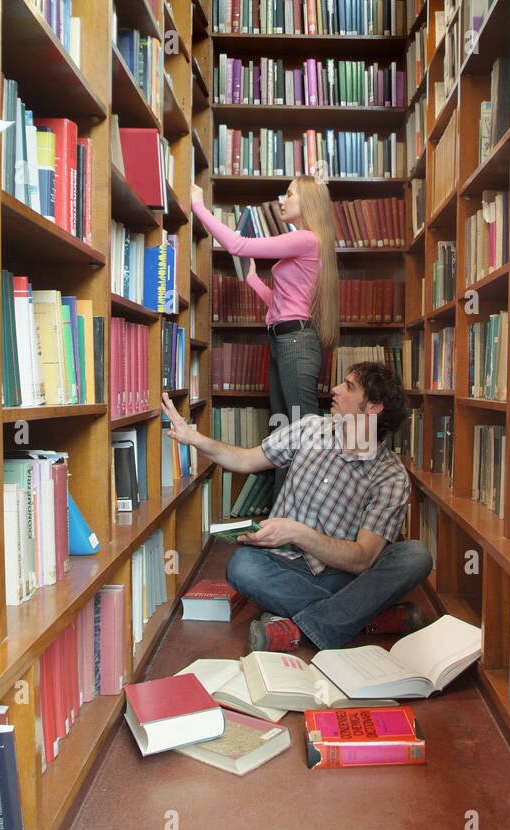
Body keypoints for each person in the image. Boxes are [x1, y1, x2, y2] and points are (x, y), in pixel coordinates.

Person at [160, 361, 432, 653]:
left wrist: (297, 533)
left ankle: (304, 627)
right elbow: (245, 460)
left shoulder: (390, 476)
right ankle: (365, 616)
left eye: (349, 386)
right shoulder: (310, 428)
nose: (336, 389)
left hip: (343, 573)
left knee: (415, 556)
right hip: (284, 565)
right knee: (242, 567)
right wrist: (193, 438)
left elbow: (363, 559)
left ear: (374, 407)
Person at [189, 177, 339, 494]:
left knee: (303, 434)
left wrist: (199, 207)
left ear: (309, 201)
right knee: (286, 434)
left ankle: (310, 517)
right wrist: (255, 280)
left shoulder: (306, 240)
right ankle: (284, 517)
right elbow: (282, 305)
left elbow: (238, 245)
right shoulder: (305, 242)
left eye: (290, 193)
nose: (282, 199)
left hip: (296, 344)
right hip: (284, 339)